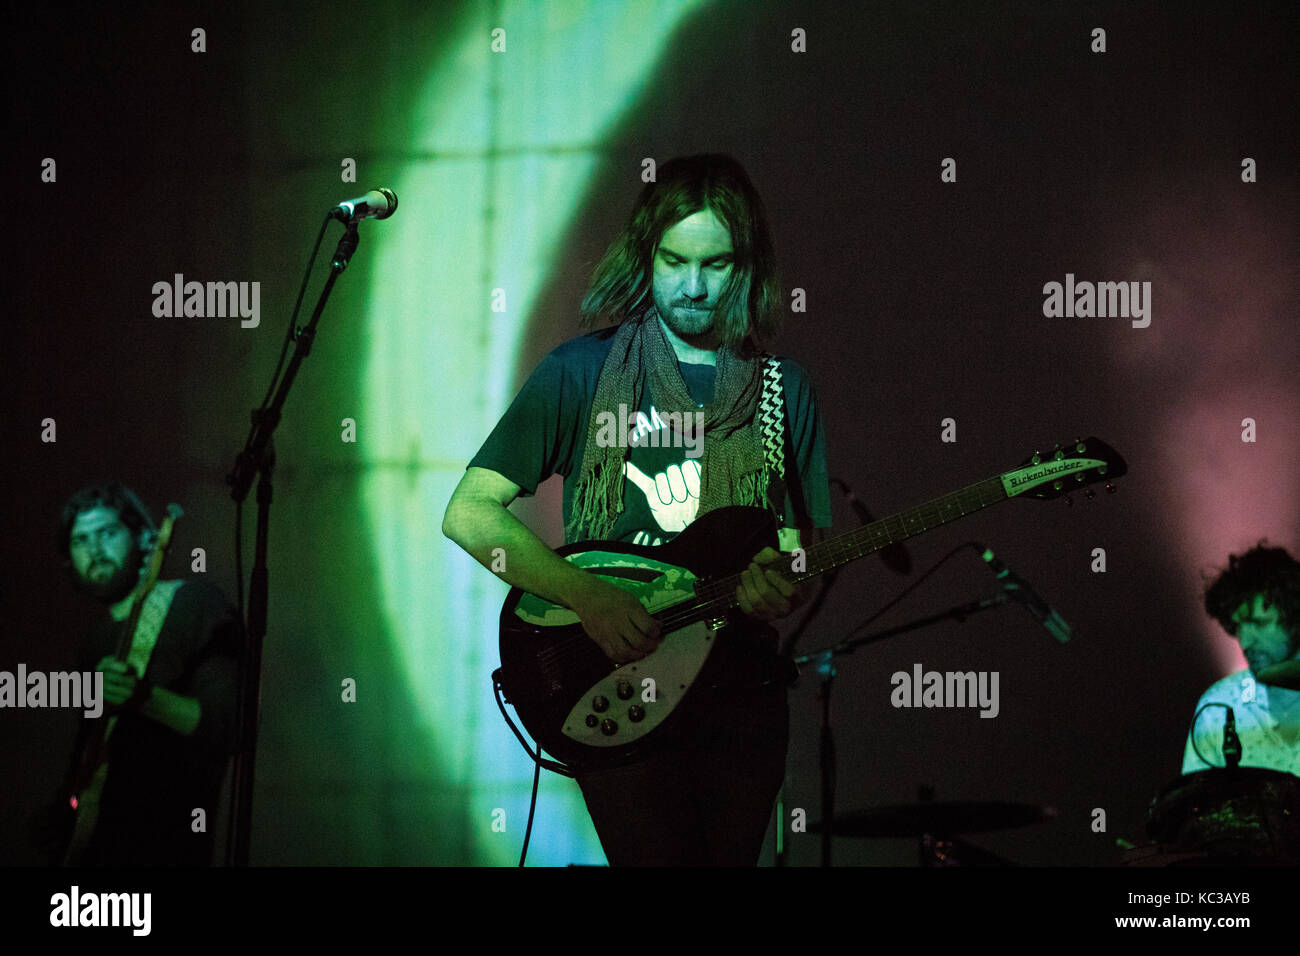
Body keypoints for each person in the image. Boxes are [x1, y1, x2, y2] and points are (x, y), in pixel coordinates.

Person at [443, 154, 832, 865]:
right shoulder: (580, 372)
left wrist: (786, 579)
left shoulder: (783, 390)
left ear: (747, 265)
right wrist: (586, 597)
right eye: (673, 259)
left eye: (715, 264)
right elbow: (470, 514)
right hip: (619, 672)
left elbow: (804, 547)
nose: (691, 285)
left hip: (740, 692)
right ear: (645, 253)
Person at [40, 482, 242, 865]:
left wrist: (143, 697)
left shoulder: (193, 603)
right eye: (80, 541)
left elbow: (230, 726)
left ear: (146, 539)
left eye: (108, 533)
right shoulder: (95, 643)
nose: (94, 550)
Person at [1181, 543, 1300, 776]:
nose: (1245, 642)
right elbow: (1197, 806)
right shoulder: (1217, 706)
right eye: (1237, 627)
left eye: (1259, 623)